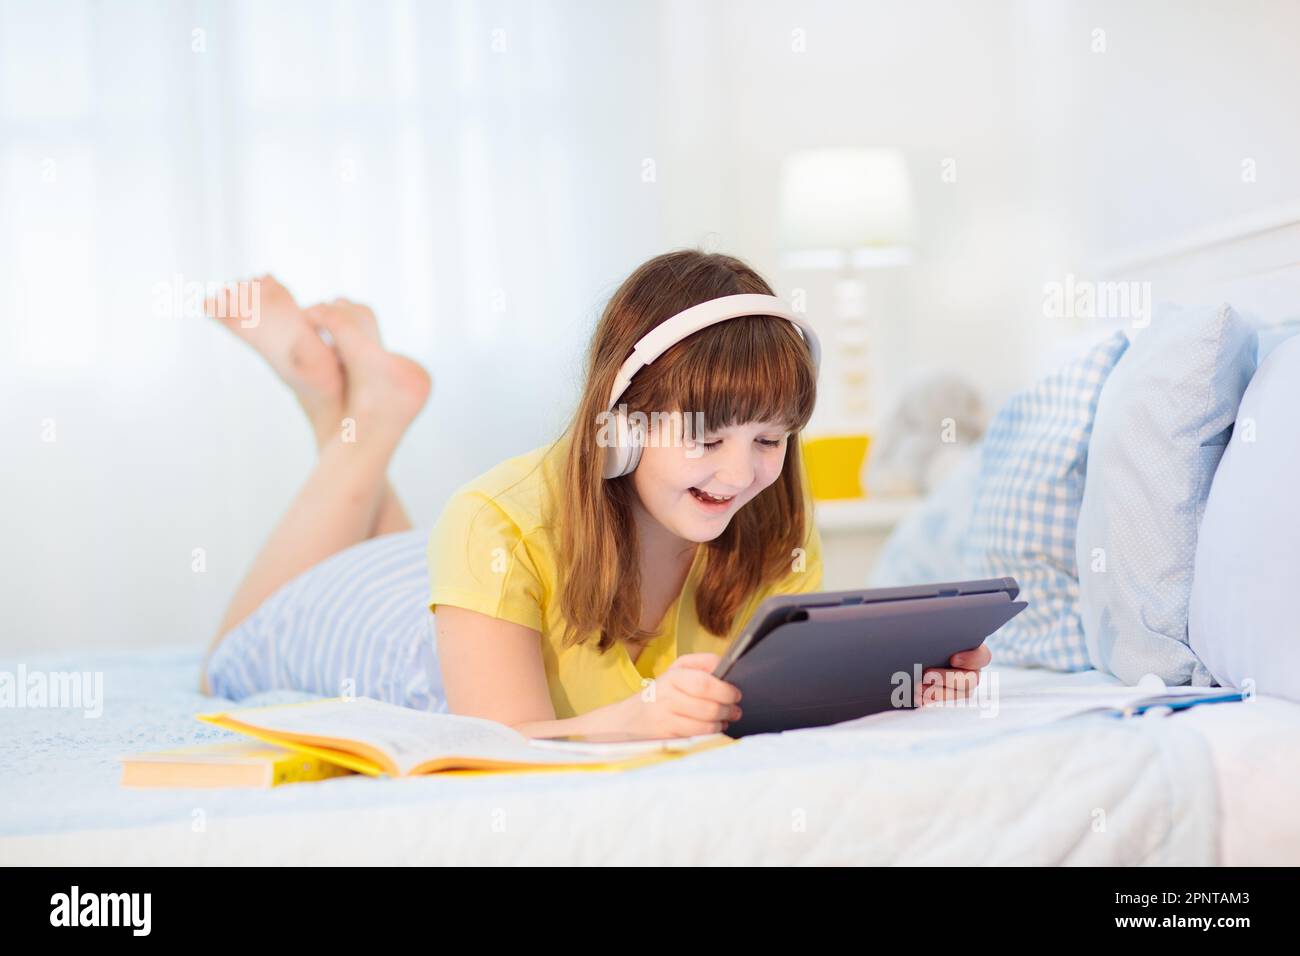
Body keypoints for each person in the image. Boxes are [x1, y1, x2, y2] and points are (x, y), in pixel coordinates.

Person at [200, 250, 991, 739]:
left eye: (768, 438)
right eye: (705, 437)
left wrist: (894, 685)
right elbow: (496, 749)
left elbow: (770, 704)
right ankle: (357, 419)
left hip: (466, 582)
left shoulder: (768, 505)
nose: (739, 472)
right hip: (410, 638)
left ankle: (348, 406)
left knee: (408, 550)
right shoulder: (491, 521)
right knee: (218, 667)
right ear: (619, 426)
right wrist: (636, 721)